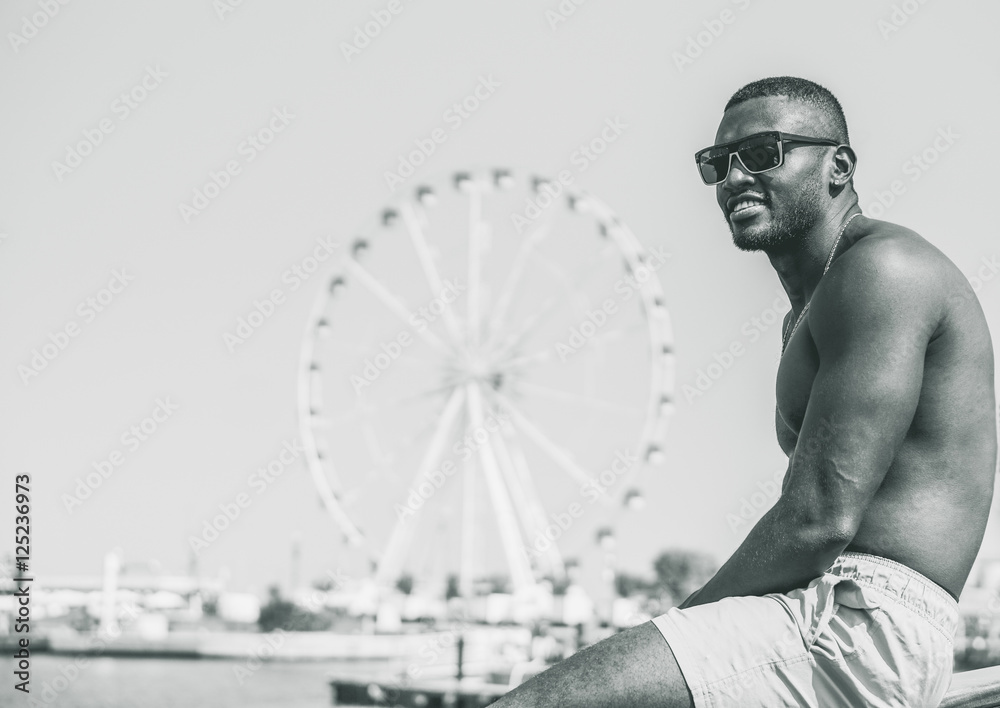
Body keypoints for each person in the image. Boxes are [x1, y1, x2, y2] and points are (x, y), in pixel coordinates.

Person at [493, 76, 997, 707]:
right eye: (717, 162)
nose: (734, 177)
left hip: (861, 626)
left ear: (839, 167)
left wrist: (680, 626)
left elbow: (817, 521)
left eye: (763, 153)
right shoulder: (808, 310)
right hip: (828, 615)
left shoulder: (882, 270)